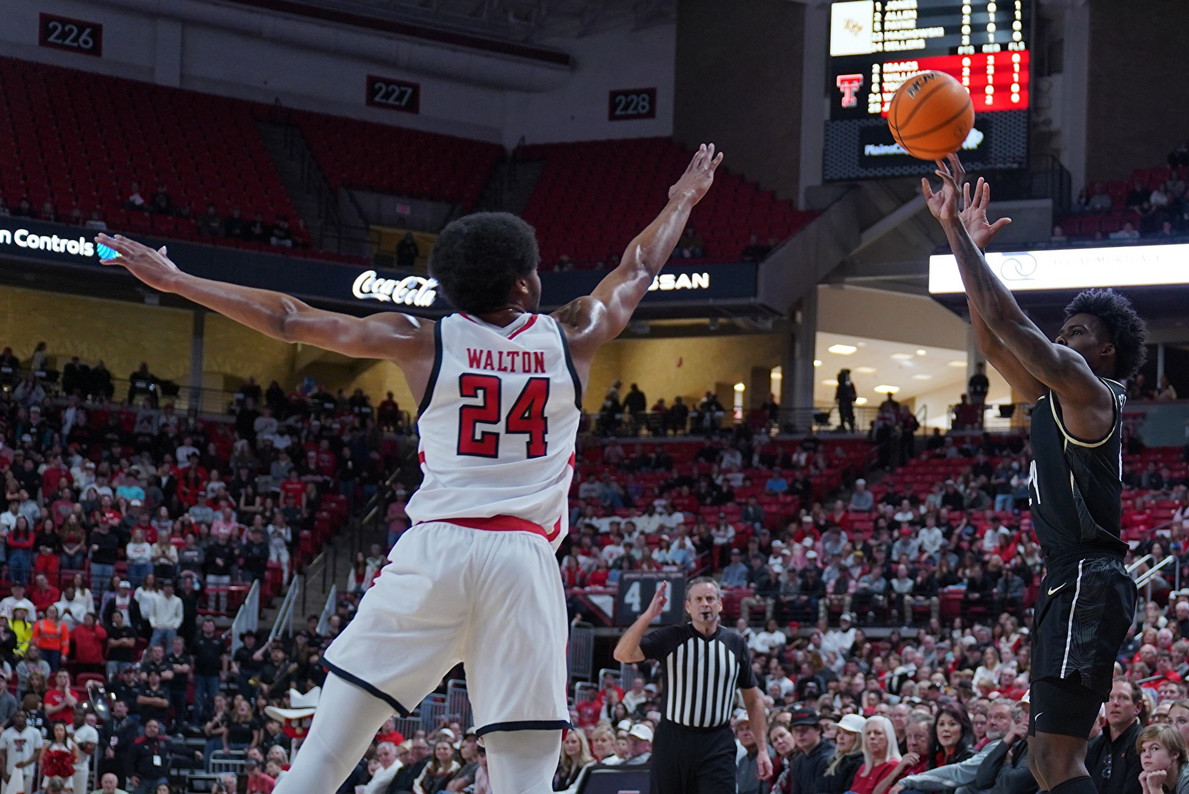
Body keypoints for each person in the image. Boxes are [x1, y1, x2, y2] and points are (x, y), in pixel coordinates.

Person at [94, 144, 731, 794]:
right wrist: (682, 199)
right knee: (523, 780)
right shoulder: (574, 334)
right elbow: (640, 264)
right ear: (521, 283)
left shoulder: (423, 339)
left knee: (324, 758)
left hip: (436, 552)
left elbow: (287, 318)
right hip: (524, 560)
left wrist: (177, 280)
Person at [925, 157, 1145, 794]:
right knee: (1047, 765)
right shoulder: (1056, 394)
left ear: (1104, 350)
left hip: (1087, 578)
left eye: (1077, 331)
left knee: (1055, 762)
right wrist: (968, 254)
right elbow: (995, 342)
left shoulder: (1090, 389)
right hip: (1067, 580)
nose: (1063, 335)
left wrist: (958, 239)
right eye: (1064, 327)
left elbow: (1016, 326)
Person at [612, 577, 773, 794]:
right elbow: (622, 654)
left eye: (710, 598)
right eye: (698, 599)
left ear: (720, 604)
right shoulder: (670, 637)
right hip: (673, 740)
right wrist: (648, 616)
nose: (704, 603)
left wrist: (762, 749)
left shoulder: (736, 644)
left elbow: (753, 700)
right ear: (688, 607)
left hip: (717, 742)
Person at [1134, 725, 1189, 794]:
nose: (1146, 755)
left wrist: (1156, 788)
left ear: (1174, 754)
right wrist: (1146, 788)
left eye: (1155, 749)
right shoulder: (1157, 777)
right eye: (1143, 750)